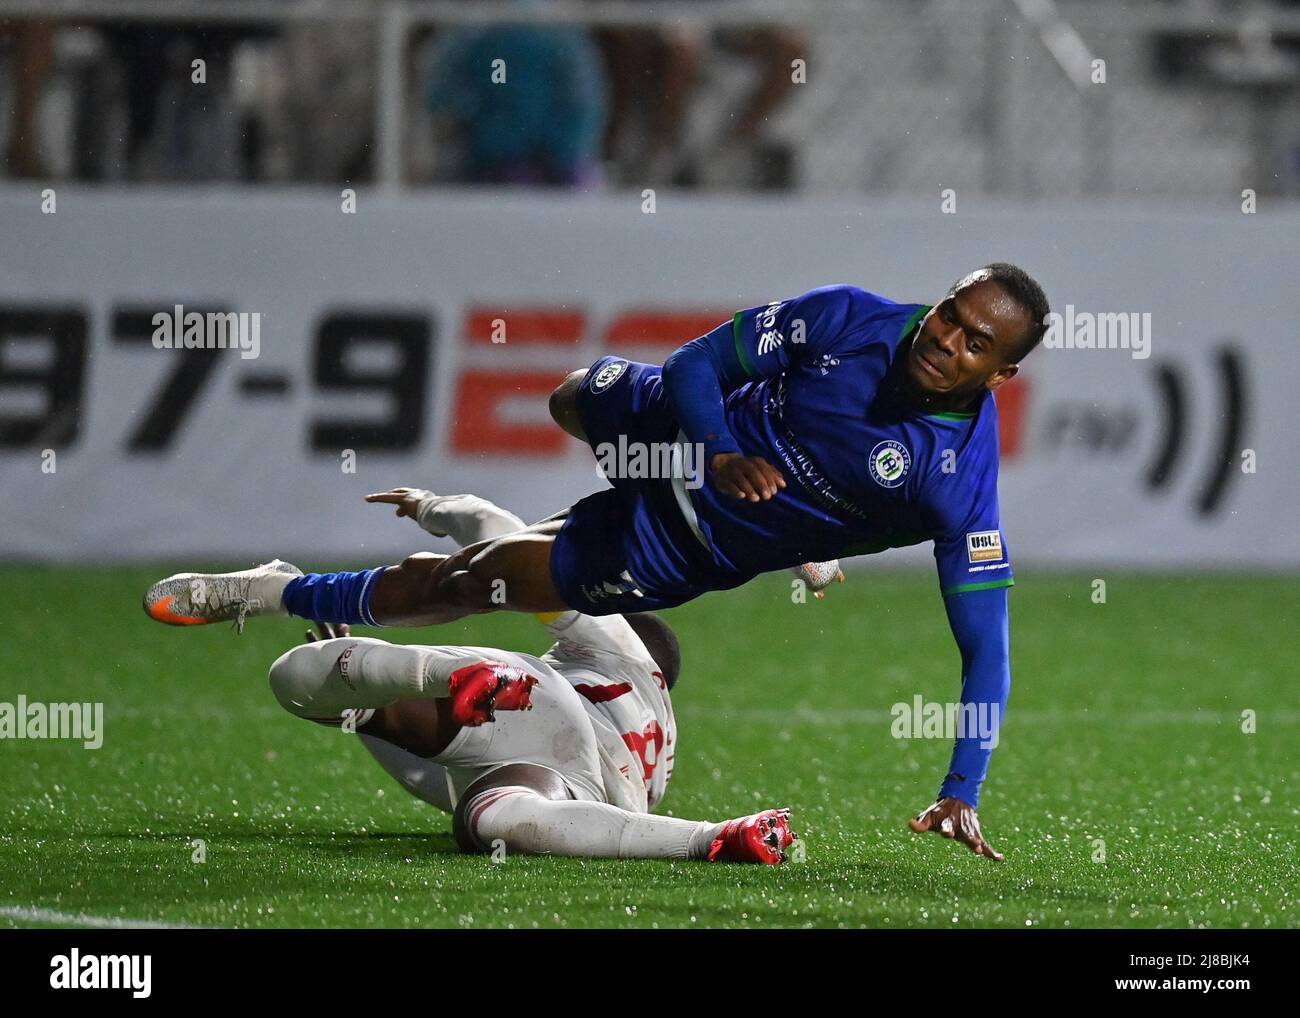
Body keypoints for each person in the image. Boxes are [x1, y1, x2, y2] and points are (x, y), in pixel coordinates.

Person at [145, 263, 1050, 861]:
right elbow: (699, 364)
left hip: (680, 542)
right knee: (572, 395)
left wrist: (961, 787)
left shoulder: (957, 485)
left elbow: (987, 650)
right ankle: (701, 528)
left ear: (999, 375)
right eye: (951, 316)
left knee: (477, 582)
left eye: (977, 343)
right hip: (683, 430)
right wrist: (719, 450)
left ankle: (272, 590)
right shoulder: (851, 317)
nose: (947, 341)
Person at [266, 490, 794, 864]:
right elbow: (436, 782)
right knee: (488, 821)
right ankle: (715, 837)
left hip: (536, 710)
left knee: (295, 680)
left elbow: (498, 530)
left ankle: (436, 673)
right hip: (574, 788)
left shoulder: (621, 650)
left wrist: (433, 507)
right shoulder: (658, 753)